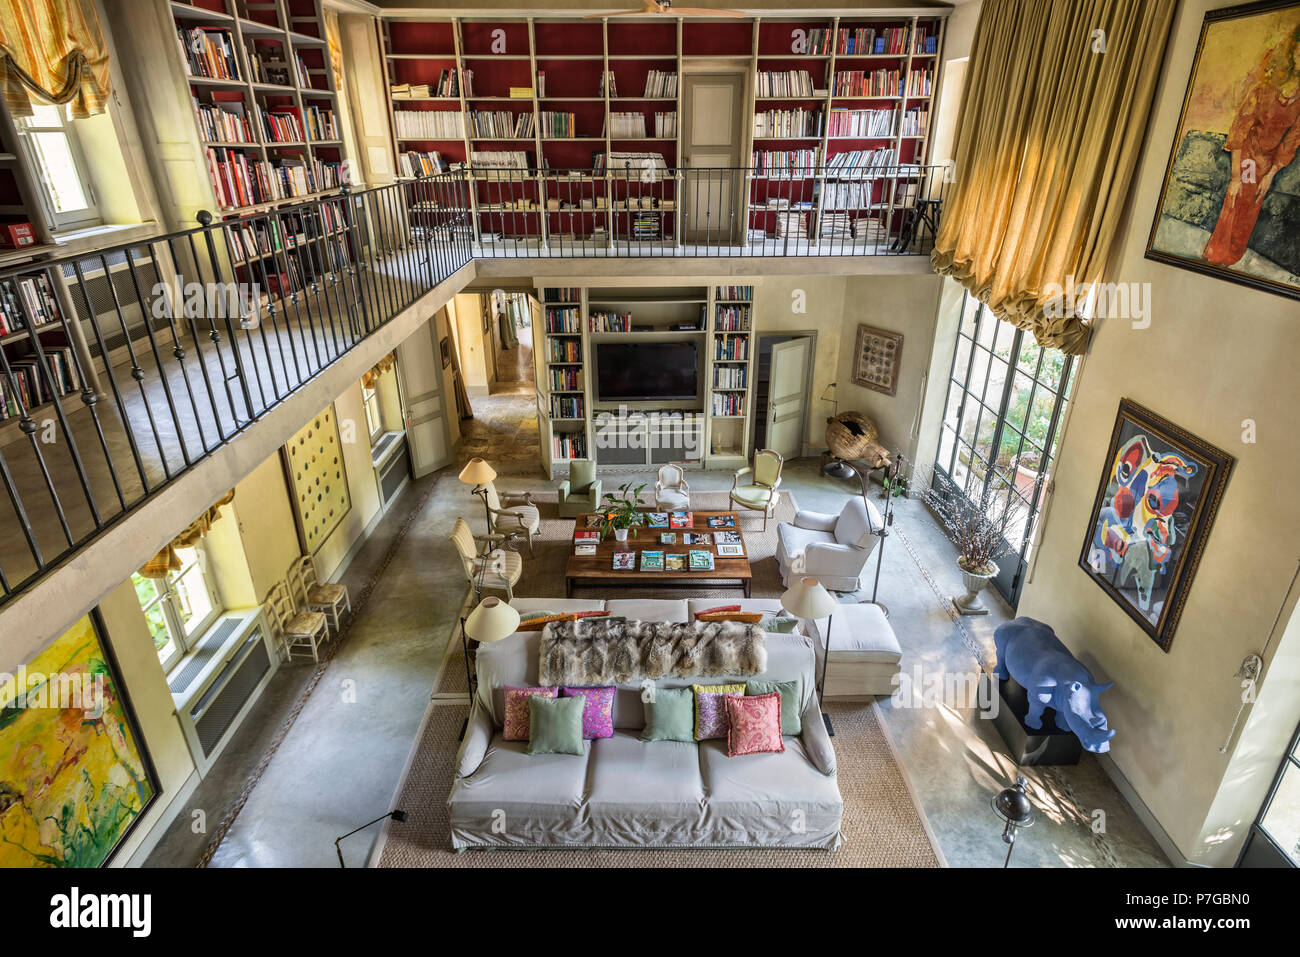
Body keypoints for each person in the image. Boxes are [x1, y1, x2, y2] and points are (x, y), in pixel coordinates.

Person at [1202, 27, 1300, 267]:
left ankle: (1229, 260)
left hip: (1268, 162)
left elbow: (1292, 140)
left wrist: (1271, 174)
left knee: (1251, 207)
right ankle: (1217, 256)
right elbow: (1241, 127)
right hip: (1248, 155)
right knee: (1239, 197)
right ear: (1293, 48)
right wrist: (1236, 176)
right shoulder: (1267, 87)